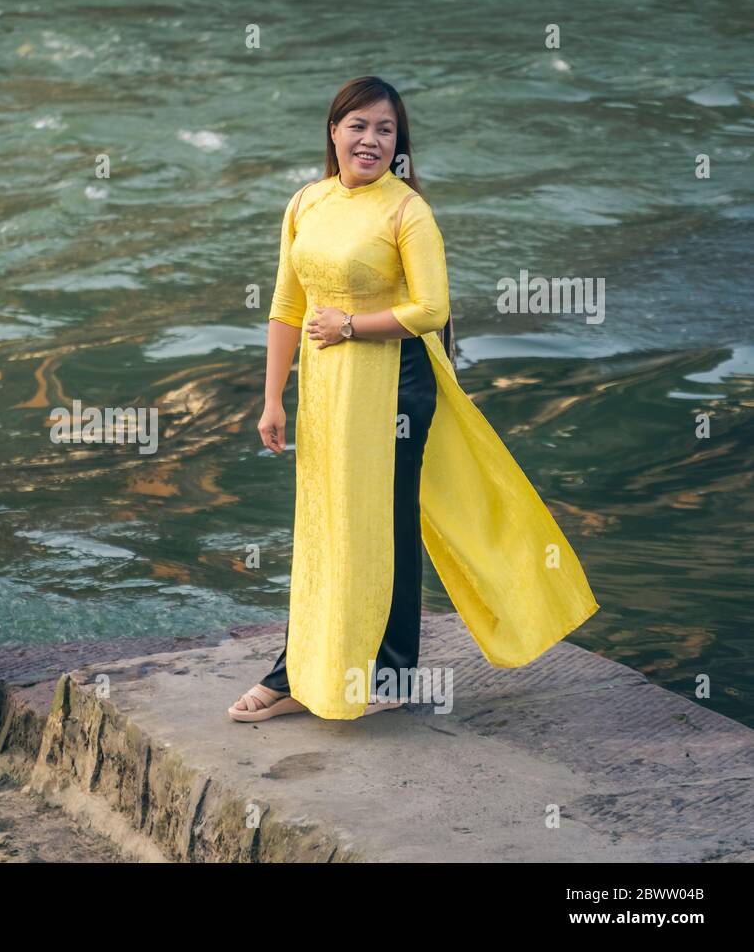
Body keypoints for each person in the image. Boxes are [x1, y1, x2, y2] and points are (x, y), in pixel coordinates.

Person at [230, 76, 598, 723]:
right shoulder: (306, 203)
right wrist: (272, 400)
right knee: (322, 523)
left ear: (399, 143)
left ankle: (391, 674)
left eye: (386, 129)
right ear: (333, 131)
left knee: (387, 525)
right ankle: (300, 672)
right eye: (359, 126)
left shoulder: (407, 211)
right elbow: (287, 308)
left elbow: (432, 308)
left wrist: (349, 325)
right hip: (326, 391)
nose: (371, 140)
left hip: (397, 386)